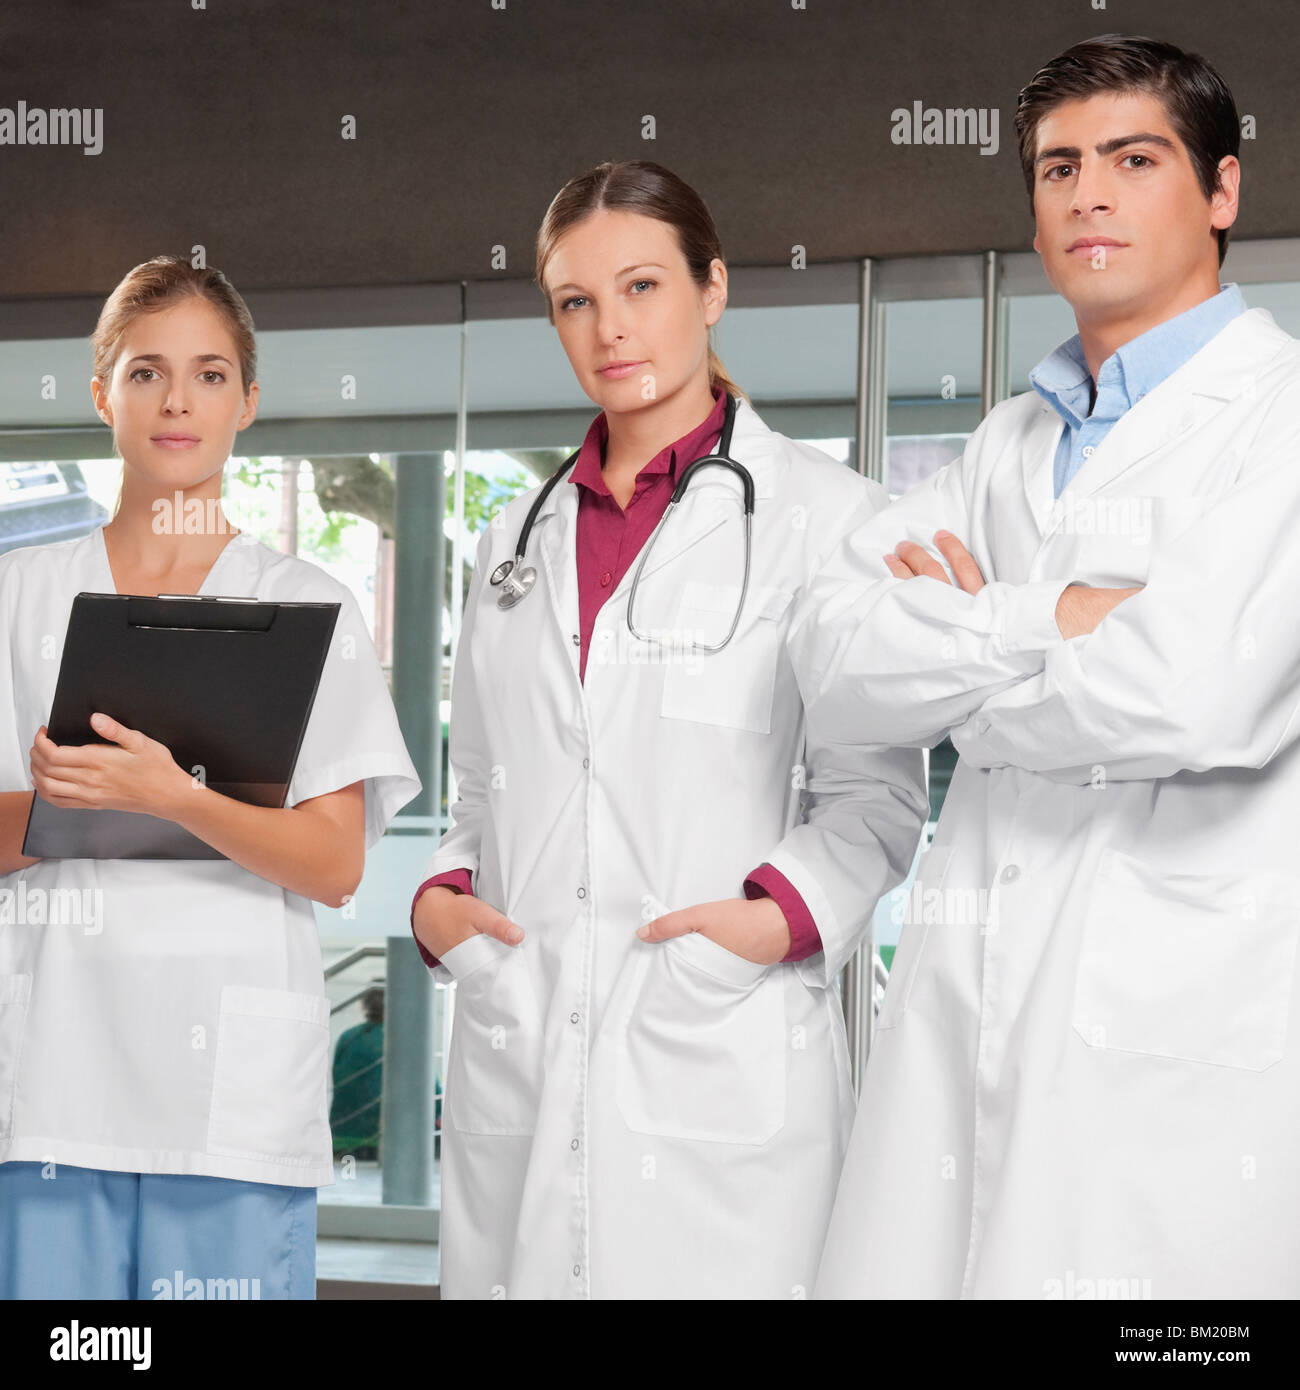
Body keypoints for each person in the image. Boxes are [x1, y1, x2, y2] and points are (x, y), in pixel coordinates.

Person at [801, 34, 1300, 1298]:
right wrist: (1059, 617)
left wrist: (962, 663)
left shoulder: (1280, 418)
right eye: (1058, 167)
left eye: (1133, 160)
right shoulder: (1004, 443)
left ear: (1222, 191)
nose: (1088, 195)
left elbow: (1186, 693)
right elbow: (834, 663)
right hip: (965, 1015)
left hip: (1174, 1047)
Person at [409, 160, 929, 1299]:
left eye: (642, 285)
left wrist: (764, 925)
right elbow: (483, 789)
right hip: (523, 1040)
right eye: (575, 300)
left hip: (717, 1049)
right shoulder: (510, 541)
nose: (610, 328)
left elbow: (876, 799)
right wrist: (441, 900)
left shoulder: (827, 518)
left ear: (713, 288)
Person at [0, 256, 420, 1300]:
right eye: (145, 372)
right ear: (103, 394)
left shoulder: (305, 604)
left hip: (229, 1107)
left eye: (210, 374)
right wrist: (87, 802)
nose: (177, 401)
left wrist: (169, 795)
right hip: (52, 1091)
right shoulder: (19, 594)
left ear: (248, 401)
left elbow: (332, 862)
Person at [330, 986, 385, 1161]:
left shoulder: (348, 1037)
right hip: (386, 1138)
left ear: (363, 1006)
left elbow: (337, 1077)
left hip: (343, 1135)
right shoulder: (401, 1038)